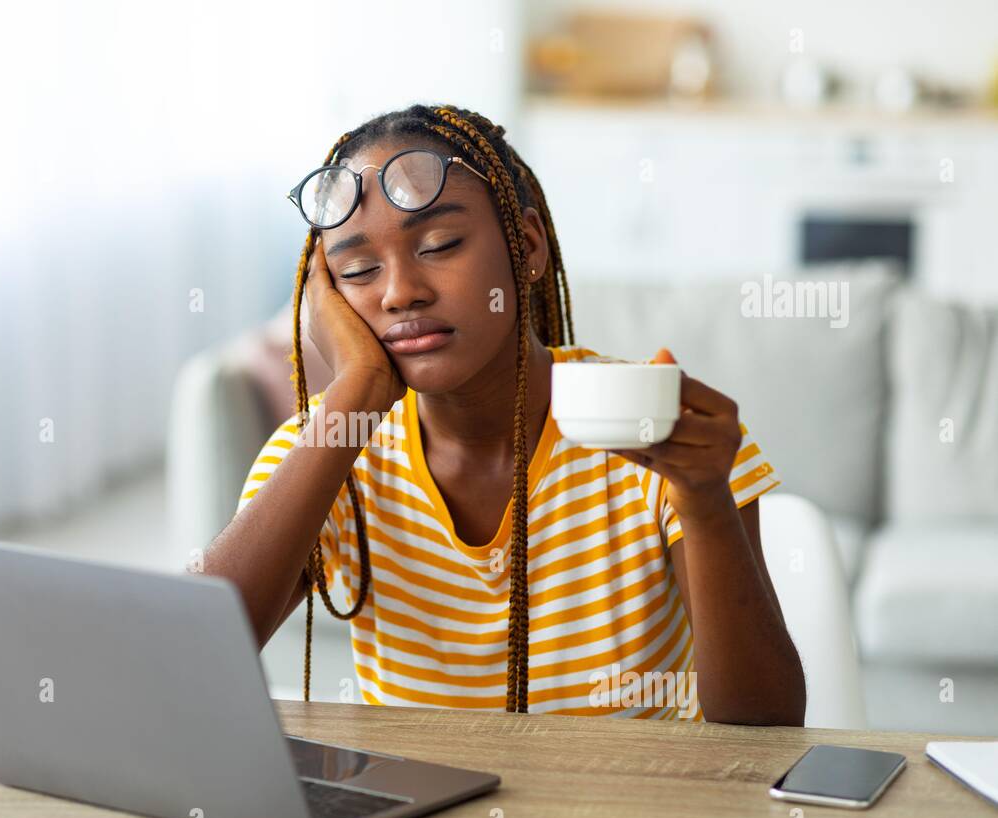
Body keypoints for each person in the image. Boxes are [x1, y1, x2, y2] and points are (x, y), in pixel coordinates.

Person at [204, 103, 804, 724]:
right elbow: (191, 661)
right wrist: (355, 391)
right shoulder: (327, 446)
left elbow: (768, 728)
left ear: (528, 246)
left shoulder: (658, 429)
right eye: (358, 270)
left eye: (440, 244)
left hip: (628, 816)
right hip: (416, 816)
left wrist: (705, 502)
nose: (399, 291)